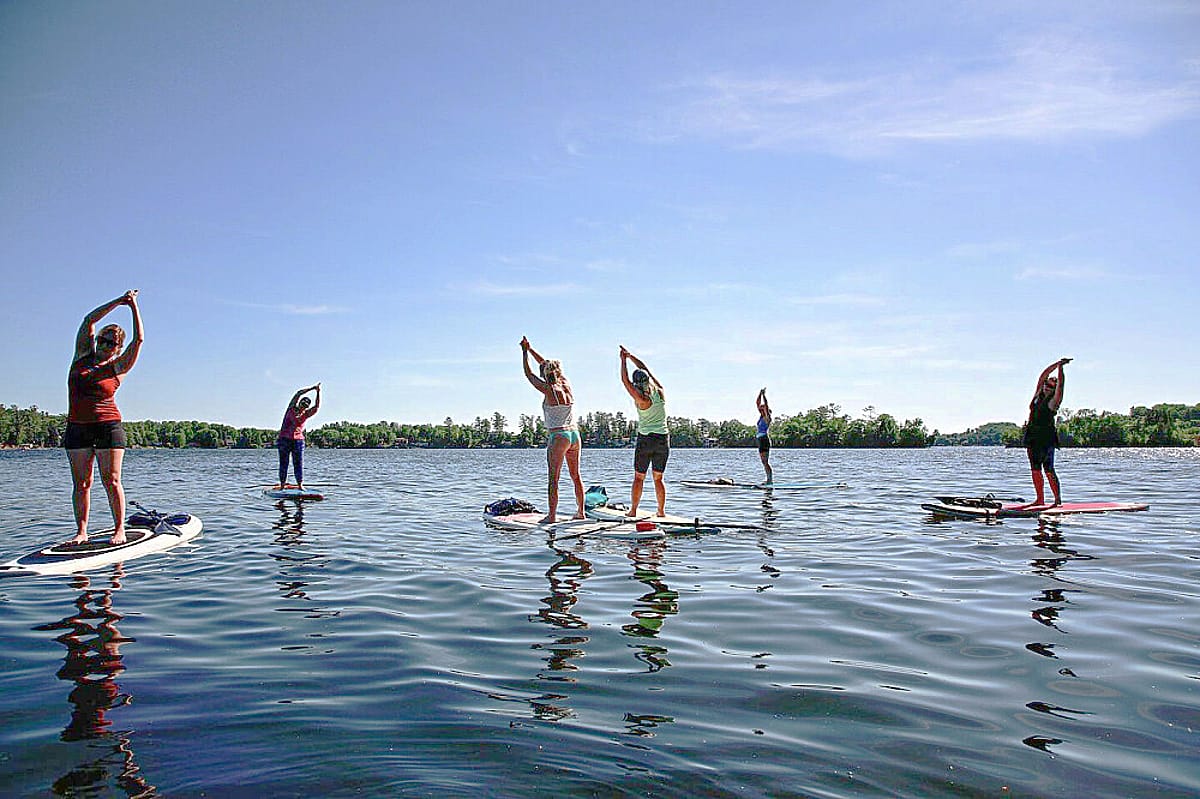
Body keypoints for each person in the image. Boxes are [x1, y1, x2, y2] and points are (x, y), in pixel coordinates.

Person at [65, 290, 144, 545]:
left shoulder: (118, 367)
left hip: (108, 426)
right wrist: (118, 301)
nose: (106, 346)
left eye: (112, 344)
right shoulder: (81, 357)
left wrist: (133, 306)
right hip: (78, 427)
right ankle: (81, 532)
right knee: (82, 483)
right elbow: (89, 320)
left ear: (118, 349)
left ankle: (119, 529)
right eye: (103, 340)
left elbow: (139, 340)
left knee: (111, 480)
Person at [521, 337, 586, 523]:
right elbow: (545, 364)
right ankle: (580, 512)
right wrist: (531, 348)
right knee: (575, 476)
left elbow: (528, 374)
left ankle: (551, 516)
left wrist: (525, 352)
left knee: (553, 479)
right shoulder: (566, 384)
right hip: (574, 434)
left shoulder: (547, 389)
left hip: (559, 436)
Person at [619, 346, 669, 517]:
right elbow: (645, 368)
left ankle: (633, 511)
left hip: (646, 440)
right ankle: (661, 512)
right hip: (663, 440)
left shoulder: (641, 398)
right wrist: (631, 356)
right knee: (658, 478)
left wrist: (623, 360)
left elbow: (625, 381)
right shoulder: (659, 392)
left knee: (639, 477)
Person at [1023, 358, 1070, 507]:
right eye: (1046, 385)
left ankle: (1057, 501)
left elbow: (1061, 387)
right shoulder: (1038, 395)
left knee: (1049, 470)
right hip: (1032, 437)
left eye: (1050, 386)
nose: (1046, 387)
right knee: (1035, 469)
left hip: (1046, 439)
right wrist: (1056, 364)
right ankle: (1040, 499)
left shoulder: (1054, 402)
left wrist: (1061, 369)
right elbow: (1043, 375)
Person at [276, 384, 320, 491]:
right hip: (284, 440)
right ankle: (282, 485)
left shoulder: (306, 414)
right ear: (299, 403)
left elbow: (317, 407)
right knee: (284, 462)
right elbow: (298, 393)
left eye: (305, 405)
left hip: (298, 441)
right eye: (302, 403)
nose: (302, 406)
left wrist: (318, 393)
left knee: (298, 463)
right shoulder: (291, 409)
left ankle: (300, 485)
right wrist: (312, 388)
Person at [756, 387, 774, 484]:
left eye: (763, 409)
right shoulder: (761, 417)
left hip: (764, 440)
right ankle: (768, 479)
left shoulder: (767, 418)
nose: (761, 409)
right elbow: (757, 403)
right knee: (763, 462)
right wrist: (760, 393)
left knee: (765, 462)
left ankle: (769, 480)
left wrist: (764, 396)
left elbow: (765, 405)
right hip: (760, 440)